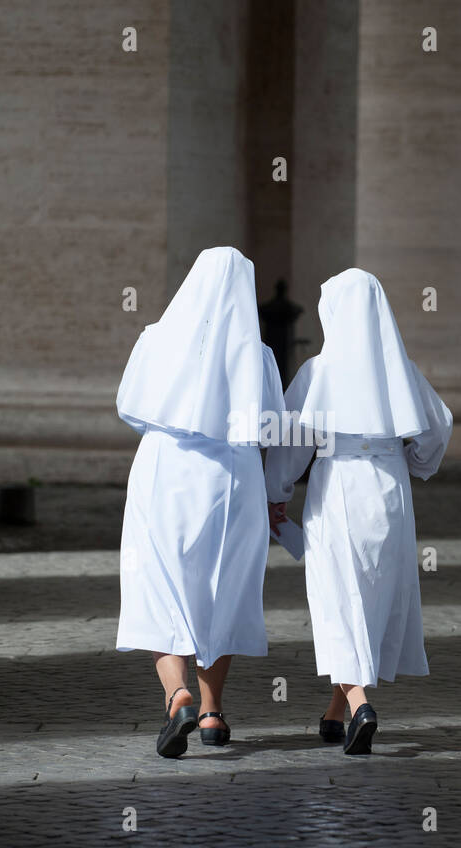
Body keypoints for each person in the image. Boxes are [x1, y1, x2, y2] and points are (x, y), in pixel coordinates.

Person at [263, 268, 452, 755]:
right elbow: (438, 425)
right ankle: (334, 712)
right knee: (369, 595)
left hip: (340, 483)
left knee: (337, 596)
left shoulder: (318, 372)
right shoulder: (400, 371)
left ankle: (361, 704)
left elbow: (291, 439)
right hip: (390, 487)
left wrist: (275, 491)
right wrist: (414, 461)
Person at [115, 247, 285, 758]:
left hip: (166, 464)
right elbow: (273, 423)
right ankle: (212, 712)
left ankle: (177, 693)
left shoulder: (155, 338)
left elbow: (129, 405)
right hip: (234, 475)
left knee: (158, 580)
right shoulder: (257, 354)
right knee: (225, 588)